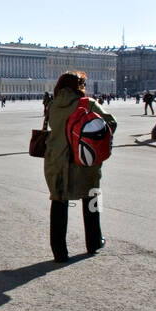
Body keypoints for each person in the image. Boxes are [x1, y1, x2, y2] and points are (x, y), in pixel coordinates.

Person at [44, 71, 115, 262]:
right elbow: (111, 123)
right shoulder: (88, 104)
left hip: (56, 161)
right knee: (92, 197)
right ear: (79, 86)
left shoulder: (53, 105)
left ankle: (59, 252)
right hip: (84, 160)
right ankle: (94, 241)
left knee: (58, 203)